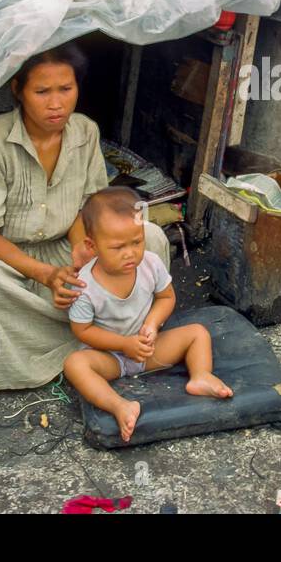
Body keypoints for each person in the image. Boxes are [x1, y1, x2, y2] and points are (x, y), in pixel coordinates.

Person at [0, 43, 172, 399]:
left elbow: (88, 207)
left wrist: (83, 249)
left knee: (151, 237)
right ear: (18, 90)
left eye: (66, 89)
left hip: (63, 245)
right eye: (42, 91)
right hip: (5, 256)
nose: (56, 103)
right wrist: (47, 275)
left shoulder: (85, 132)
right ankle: (64, 347)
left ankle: (125, 338)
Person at [63, 188, 231, 442]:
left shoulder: (150, 264)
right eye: (118, 247)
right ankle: (119, 405)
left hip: (148, 349)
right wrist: (124, 344)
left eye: (136, 242)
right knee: (75, 364)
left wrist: (152, 324)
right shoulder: (84, 286)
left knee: (197, 333)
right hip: (110, 358)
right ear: (91, 246)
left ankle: (200, 376)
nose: (130, 253)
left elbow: (167, 297)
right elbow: (82, 331)